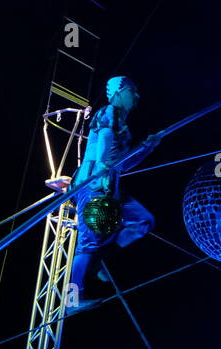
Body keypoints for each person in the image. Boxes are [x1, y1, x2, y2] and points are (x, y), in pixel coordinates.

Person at [55, 76, 163, 312]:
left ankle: (98, 261)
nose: (137, 96)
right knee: (88, 243)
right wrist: (103, 166)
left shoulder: (122, 126)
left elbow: (124, 164)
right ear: (119, 91)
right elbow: (103, 139)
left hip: (110, 189)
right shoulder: (109, 112)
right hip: (93, 186)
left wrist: (147, 147)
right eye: (133, 91)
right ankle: (71, 299)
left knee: (143, 220)